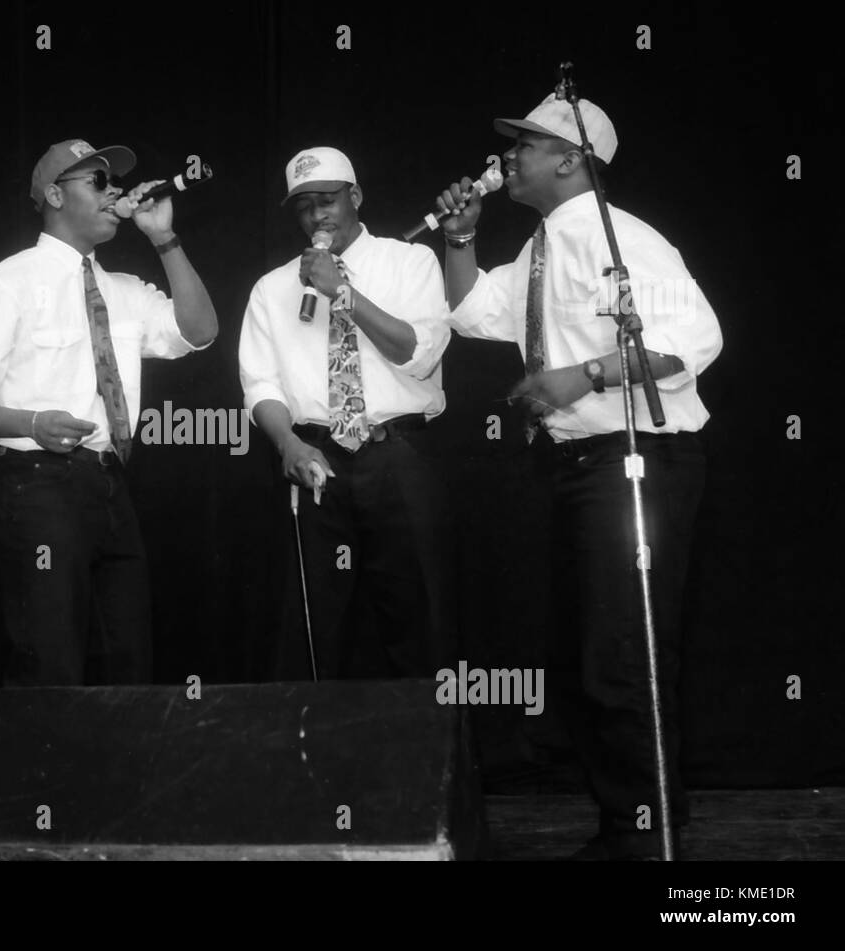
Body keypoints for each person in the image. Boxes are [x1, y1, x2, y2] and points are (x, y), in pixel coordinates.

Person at [436, 94, 723, 859]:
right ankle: (623, 819)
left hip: (636, 462)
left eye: (526, 143)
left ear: (570, 159)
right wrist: (461, 238)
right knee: (583, 651)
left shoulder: (622, 238)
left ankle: (649, 830)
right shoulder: (538, 247)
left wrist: (587, 374)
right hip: (572, 466)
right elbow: (472, 312)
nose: (509, 155)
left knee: (620, 649)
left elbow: (694, 338)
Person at [0, 139, 217, 686]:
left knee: (127, 659)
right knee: (51, 656)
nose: (114, 193)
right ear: (54, 195)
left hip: (110, 483)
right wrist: (33, 424)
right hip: (37, 485)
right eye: (98, 182)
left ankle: (115, 770)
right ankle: (41, 770)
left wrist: (165, 239)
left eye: (114, 183)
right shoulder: (3, 283)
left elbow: (199, 332)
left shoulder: (125, 289)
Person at [239, 147, 456, 680]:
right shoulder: (273, 287)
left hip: (398, 456)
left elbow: (419, 354)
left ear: (355, 197)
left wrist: (343, 292)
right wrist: (288, 444)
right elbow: (260, 383)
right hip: (316, 460)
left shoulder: (411, 262)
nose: (318, 217)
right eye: (306, 207)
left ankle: (429, 755)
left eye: (329, 201)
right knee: (316, 623)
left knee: (419, 616)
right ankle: (316, 754)